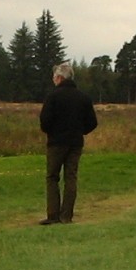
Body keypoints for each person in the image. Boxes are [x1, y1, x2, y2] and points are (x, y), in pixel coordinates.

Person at [38, 62, 98, 224]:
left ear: (59, 78)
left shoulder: (53, 96)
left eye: (54, 77)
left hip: (56, 143)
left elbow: (44, 120)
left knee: (52, 177)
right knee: (71, 177)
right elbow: (92, 122)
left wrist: (51, 131)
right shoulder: (83, 98)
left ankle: (53, 215)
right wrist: (80, 131)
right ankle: (66, 216)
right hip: (76, 142)